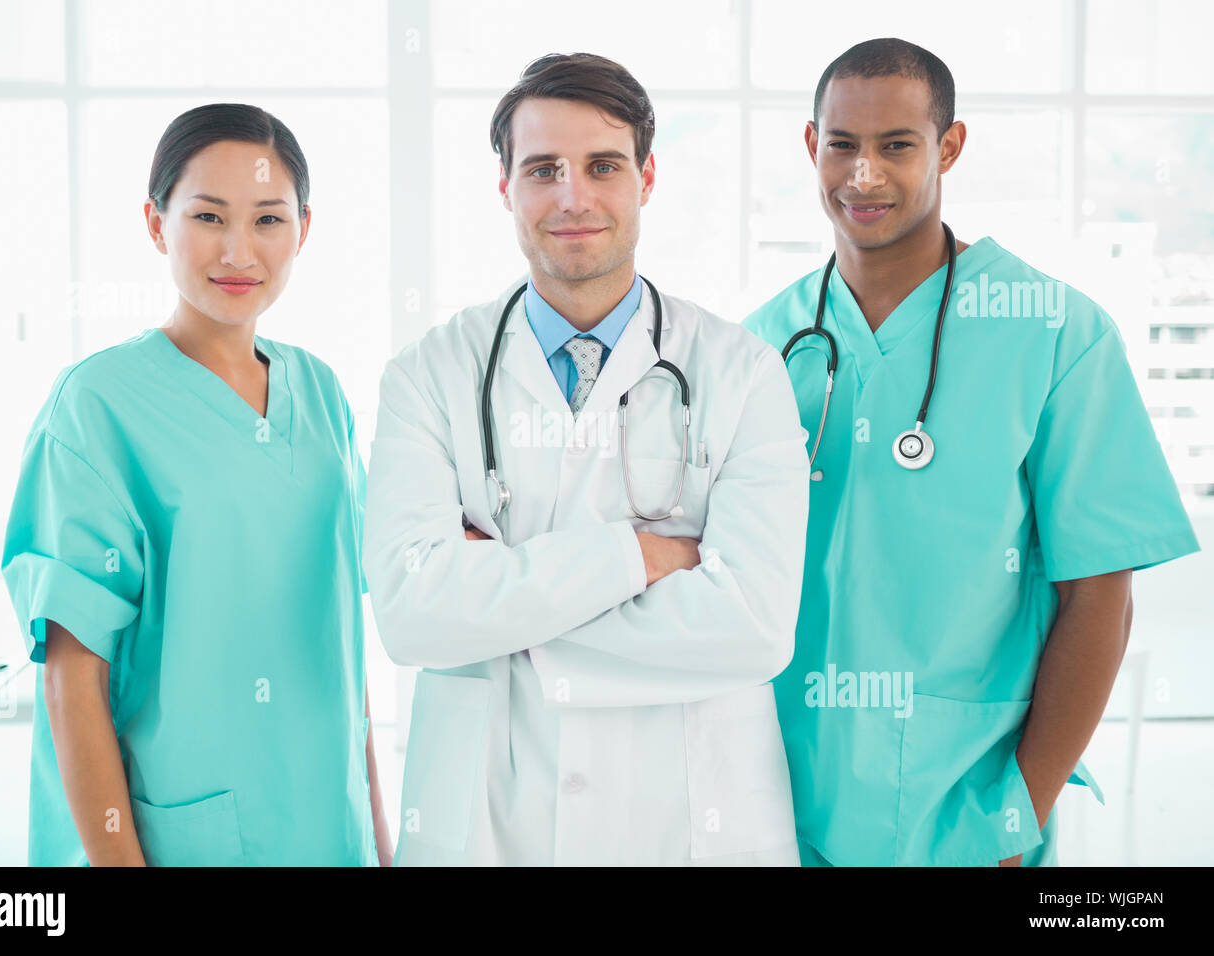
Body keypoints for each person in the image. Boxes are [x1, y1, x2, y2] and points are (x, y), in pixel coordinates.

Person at [743, 38, 1200, 866]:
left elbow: (1099, 597)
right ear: (812, 146)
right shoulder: (761, 347)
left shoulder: (1057, 334)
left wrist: (1017, 811)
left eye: (898, 146)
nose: (865, 175)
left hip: (966, 812)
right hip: (775, 803)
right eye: (842, 144)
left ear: (949, 147)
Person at [363, 53, 810, 865]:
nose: (573, 196)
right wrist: (643, 557)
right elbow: (409, 614)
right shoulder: (428, 376)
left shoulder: (742, 373)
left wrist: (500, 610)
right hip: (490, 829)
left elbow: (753, 627)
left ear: (646, 176)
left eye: (602, 166)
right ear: (506, 189)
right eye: (543, 170)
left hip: (690, 824)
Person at [0, 103, 390, 866]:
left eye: (269, 220)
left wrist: (375, 839)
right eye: (209, 216)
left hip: (327, 829)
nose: (239, 250)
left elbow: (339, 644)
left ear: (303, 230)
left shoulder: (323, 395)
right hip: (178, 837)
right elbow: (73, 679)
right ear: (156, 224)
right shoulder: (98, 406)